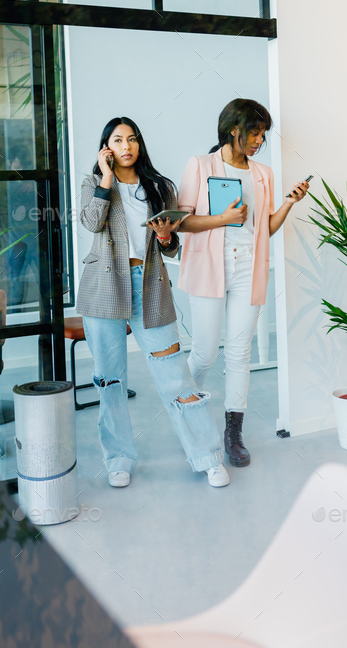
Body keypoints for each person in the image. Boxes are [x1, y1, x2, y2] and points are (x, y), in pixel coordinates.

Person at [77, 116, 229, 488]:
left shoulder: (159, 186)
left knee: (174, 374)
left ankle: (207, 456)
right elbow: (90, 223)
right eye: (118, 140)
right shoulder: (94, 183)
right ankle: (119, 459)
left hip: (149, 283)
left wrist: (165, 238)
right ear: (106, 147)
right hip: (103, 287)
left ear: (139, 145)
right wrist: (106, 178)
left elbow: (173, 244)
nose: (126, 146)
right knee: (110, 379)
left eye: (132, 139)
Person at [177, 98, 309, 467]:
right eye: (254, 132)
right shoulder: (200, 166)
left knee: (239, 353)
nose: (258, 140)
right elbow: (182, 222)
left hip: (250, 267)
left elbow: (263, 228)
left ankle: (233, 434)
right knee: (204, 352)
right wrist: (222, 219)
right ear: (233, 129)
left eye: (262, 134)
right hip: (210, 268)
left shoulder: (262, 173)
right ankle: (184, 411)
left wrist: (288, 203)